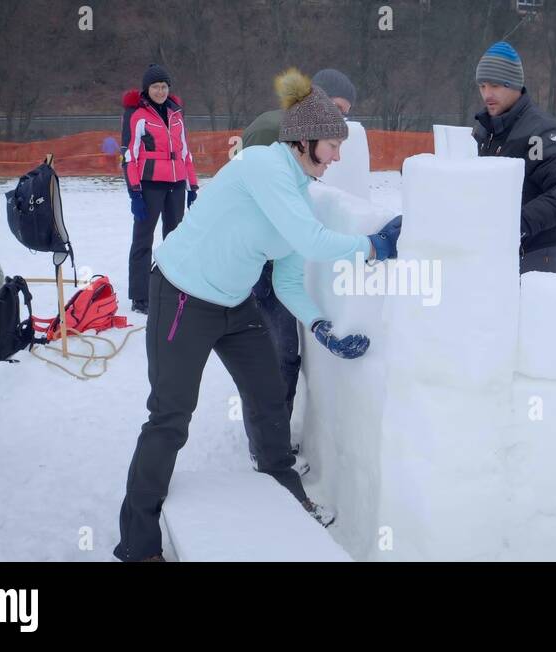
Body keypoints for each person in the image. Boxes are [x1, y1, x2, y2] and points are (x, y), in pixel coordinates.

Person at [113, 69, 401, 562]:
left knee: (269, 397)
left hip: (234, 304)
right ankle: (138, 545)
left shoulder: (298, 193)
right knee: (170, 416)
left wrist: (320, 325)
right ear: (305, 139)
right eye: (333, 145)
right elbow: (313, 242)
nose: (337, 157)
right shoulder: (263, 167)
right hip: (182, 295)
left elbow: (289, 278)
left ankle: (287, 499)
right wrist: (372, 246)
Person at [240, 68, 359, 461]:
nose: (340, 123)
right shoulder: (271, 132)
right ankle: (269, 451)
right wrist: (371, 245)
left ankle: (269, 445)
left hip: (271, 259)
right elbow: (276, 210)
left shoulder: (288, 135)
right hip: (255, 263)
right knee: (277, 355)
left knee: (279, 353)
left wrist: (319, 323)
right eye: (337, 112)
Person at [471, 41, 556, 275]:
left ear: (514, 85)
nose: (487, 94)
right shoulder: (482, 131)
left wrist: (517, 224)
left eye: (494, 86)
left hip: (536, 253)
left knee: (528, 313)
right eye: (482, 86)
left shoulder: (542, 132)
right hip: (491, 248)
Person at [121, 63, 199, 315]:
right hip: (149, 185)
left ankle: (172, 289)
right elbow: (130, 156)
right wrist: (134, 192)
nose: (160, 91)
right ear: (147, 88)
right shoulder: (138, 115)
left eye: (164, 86)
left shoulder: (176, 113)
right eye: (156, 86)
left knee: (175, 239)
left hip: (176, 185)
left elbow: (185, 151)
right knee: (143, 240)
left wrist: (192, 186)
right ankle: (140, 297)